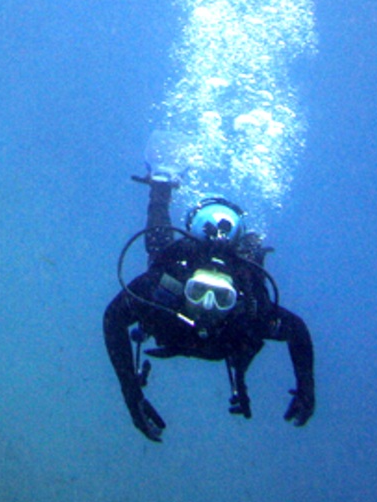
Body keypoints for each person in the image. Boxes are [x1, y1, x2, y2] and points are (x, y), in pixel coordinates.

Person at [102, 172, 315, 442]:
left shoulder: (248, 309)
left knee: (162, 249)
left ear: (234, 298)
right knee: (159, 247)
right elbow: (113, 318)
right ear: (184, 288)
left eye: (222, 298)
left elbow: (296, 329)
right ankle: (161, 188)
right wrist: (131, 393)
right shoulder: (166, 288)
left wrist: (306, 386)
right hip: (177, 282)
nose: (208, 307)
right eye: (198, 292)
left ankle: (247, 241)